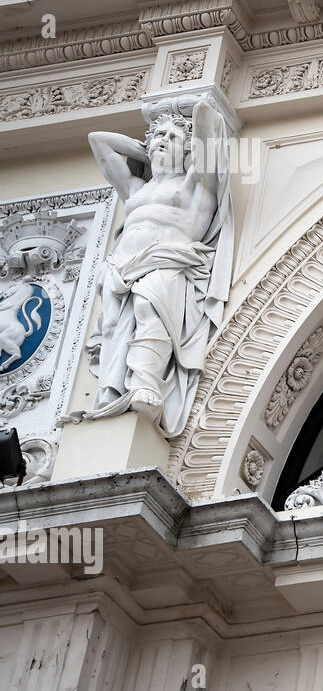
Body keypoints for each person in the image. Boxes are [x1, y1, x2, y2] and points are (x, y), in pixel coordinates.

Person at [73, 95, 232, 437]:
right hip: (121, 271)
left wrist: (193, 115)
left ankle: (145, 384)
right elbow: (98, 141)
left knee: (149, 304)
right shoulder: (136, 189)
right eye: (156, 138)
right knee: (119, 330)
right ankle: (117, 390)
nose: (162, 142)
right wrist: (153, 142)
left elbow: (207, 134)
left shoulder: (194, 184)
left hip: (168, 262)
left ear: (187, 149)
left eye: (171, 139)